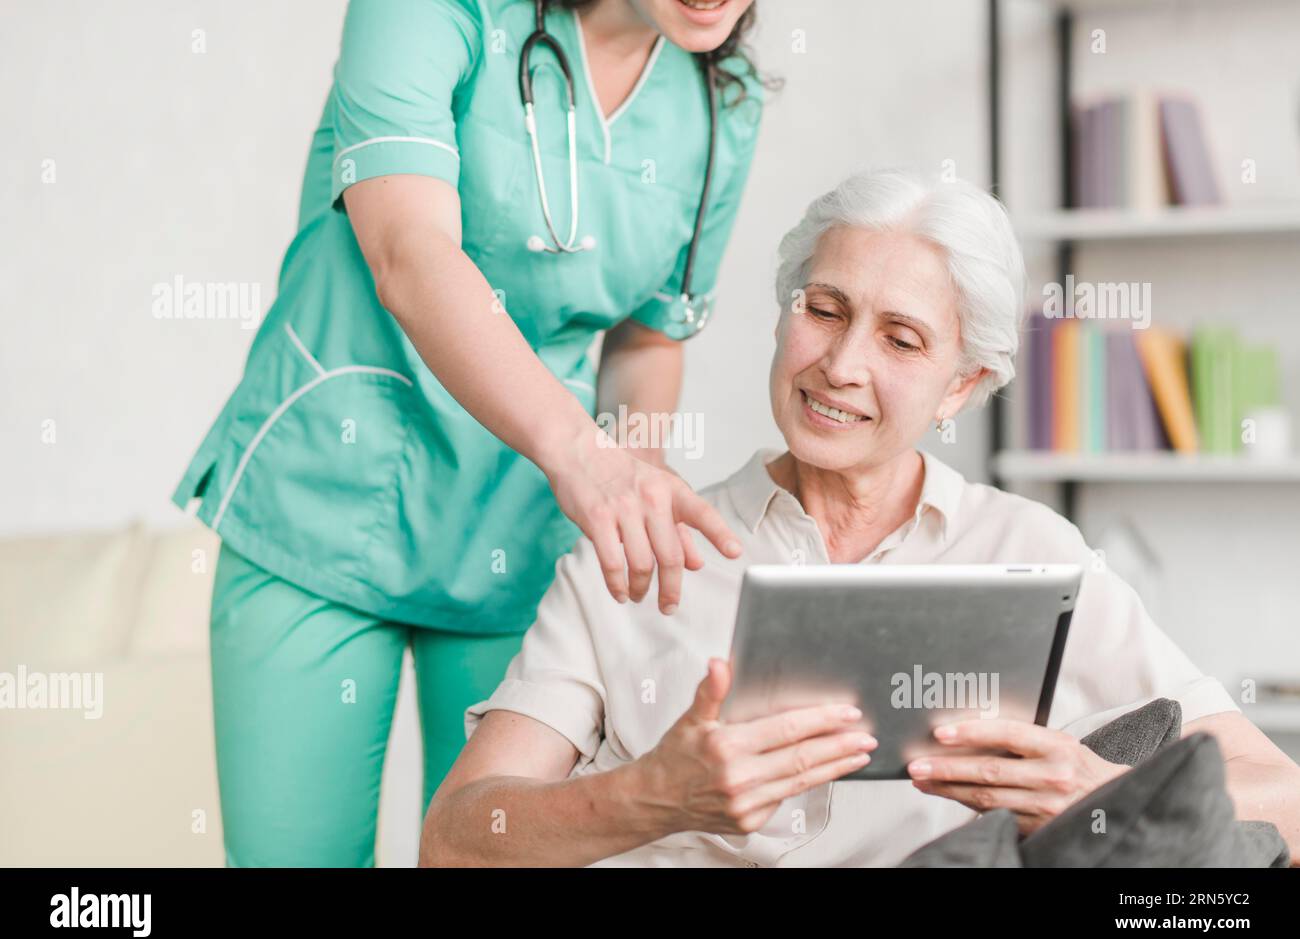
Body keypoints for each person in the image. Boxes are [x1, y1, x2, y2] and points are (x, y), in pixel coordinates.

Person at [419, 168, 1300, 867]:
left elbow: (1281, 797)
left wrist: (1095, 787)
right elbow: (453, 842)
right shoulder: (645, 548)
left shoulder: (1030, 551)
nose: (840, 364)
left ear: (964, 383)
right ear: (782, 317)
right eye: (824, 310)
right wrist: (654, 794)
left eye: (901, 339)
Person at [171, 0, 768, 866]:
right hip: (325, 500)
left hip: (524, 533)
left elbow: (648, 335)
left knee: (493, 854)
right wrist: (582, 457)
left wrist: (630, 506)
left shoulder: (724, 98)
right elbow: (409, 253)